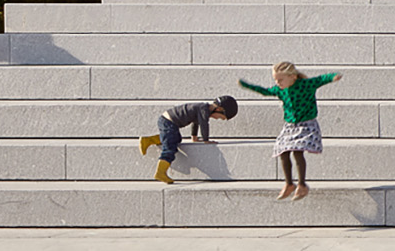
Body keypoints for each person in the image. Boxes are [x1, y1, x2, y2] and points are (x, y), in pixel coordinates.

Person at [240, 62, 342, 200]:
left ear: (293, 77)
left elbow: (321, 79)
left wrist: (333, 77)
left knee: (297, 151)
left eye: (280, 79)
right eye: (276, 80)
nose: (278, 83)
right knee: (283, 151)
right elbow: (265, 91)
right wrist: (247, 85)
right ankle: (289, 184)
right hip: (290, 126)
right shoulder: (280, 90)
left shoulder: (305, 84)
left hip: (307, 125)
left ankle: (302, 185)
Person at [139, 95, 238, 184]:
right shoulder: (203, 110)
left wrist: (194, 137)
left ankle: (148, 140)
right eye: (220, 117)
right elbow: (204, 124)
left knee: (176, 138)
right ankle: (160, 172)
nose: (217, 119)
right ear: (219, 109)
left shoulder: (202, 109)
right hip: (168, 121)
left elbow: (196, 123)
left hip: (169, 121)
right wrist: (206, 140)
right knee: (170, 147)